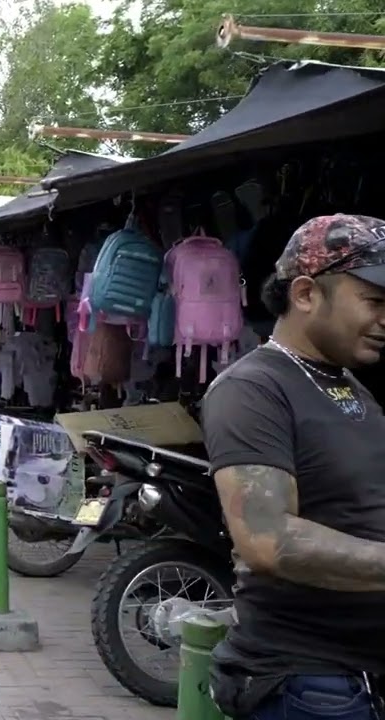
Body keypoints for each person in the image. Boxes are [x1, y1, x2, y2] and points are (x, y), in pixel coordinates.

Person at [203, 214, 385, 720]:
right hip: (308, 686)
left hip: (357, 678)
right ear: (306, 294)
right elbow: (265, 537)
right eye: (374, 302)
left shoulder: (348, 383)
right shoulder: (253, 389)